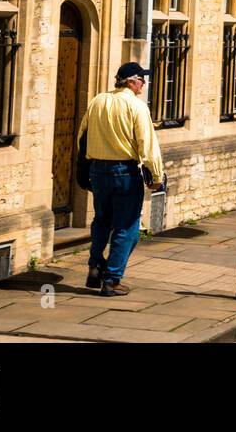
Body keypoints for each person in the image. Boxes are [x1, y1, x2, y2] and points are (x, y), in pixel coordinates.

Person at [77, 62, 165, 297]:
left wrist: (83, 167)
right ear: (132, 82)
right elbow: (147, 145)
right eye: (142, 80)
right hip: (124, 172)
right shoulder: (136, 106)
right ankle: (112, 280)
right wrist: (156, 176)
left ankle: (95, 266)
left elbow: (82, 136)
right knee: (127, 227)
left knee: (102, 221)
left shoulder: (98, 101)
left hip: (98, 170)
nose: (144, 84)